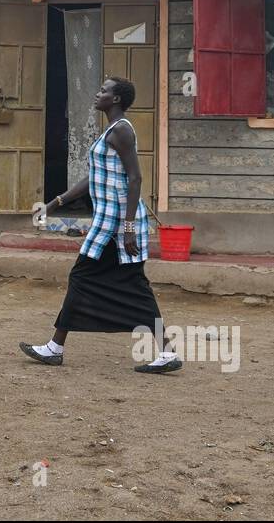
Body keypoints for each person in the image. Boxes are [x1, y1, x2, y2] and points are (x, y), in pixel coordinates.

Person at [20, 76, 181, 373]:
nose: (98, 94)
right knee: (126, 284)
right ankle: (167, 353)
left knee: (85, 277)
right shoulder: (110, 130)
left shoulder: (121, 132)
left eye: (104, 91)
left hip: (117, 227)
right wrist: (55, 202)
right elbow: (93, 178)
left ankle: (55, 348)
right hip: (108, 224)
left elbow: (136, 179)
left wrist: (129, 227)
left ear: (116, 99)